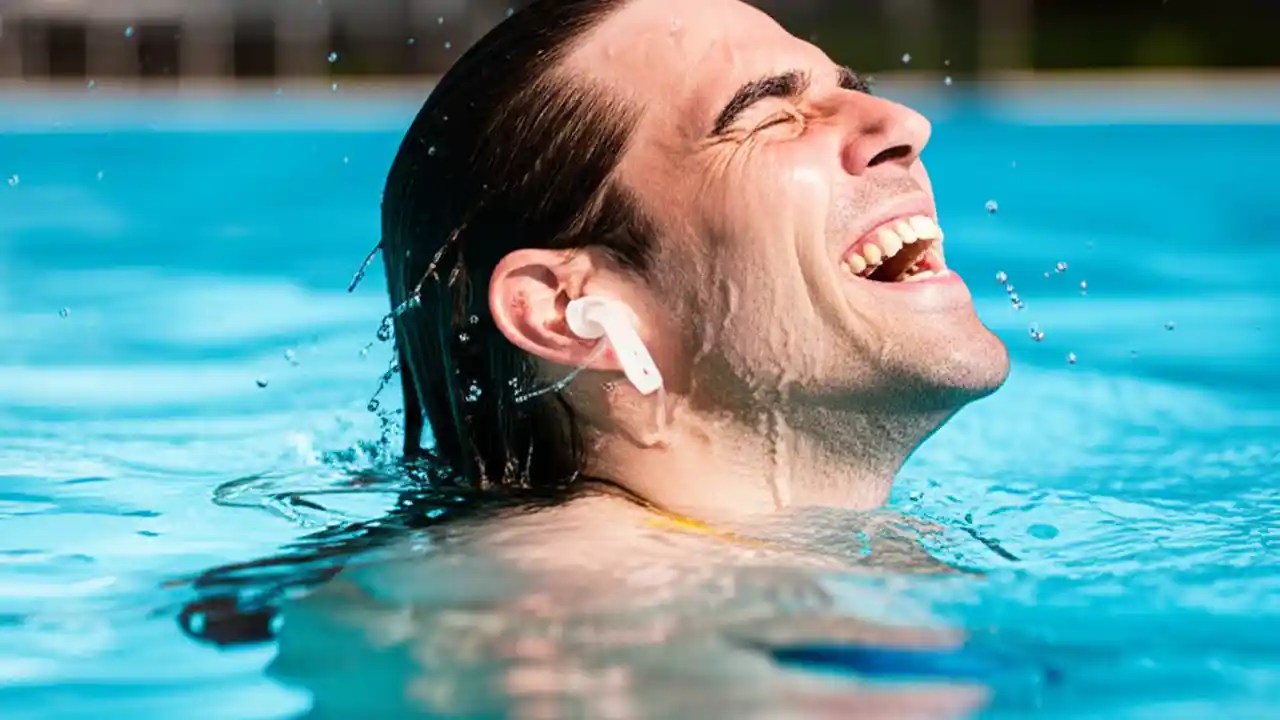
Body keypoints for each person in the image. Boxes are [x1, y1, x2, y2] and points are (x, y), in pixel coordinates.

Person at [382, 0, 1009, 528]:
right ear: (570, 312)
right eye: (770, 118)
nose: (905, 123)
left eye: (852, 91)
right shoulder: (566, 630)